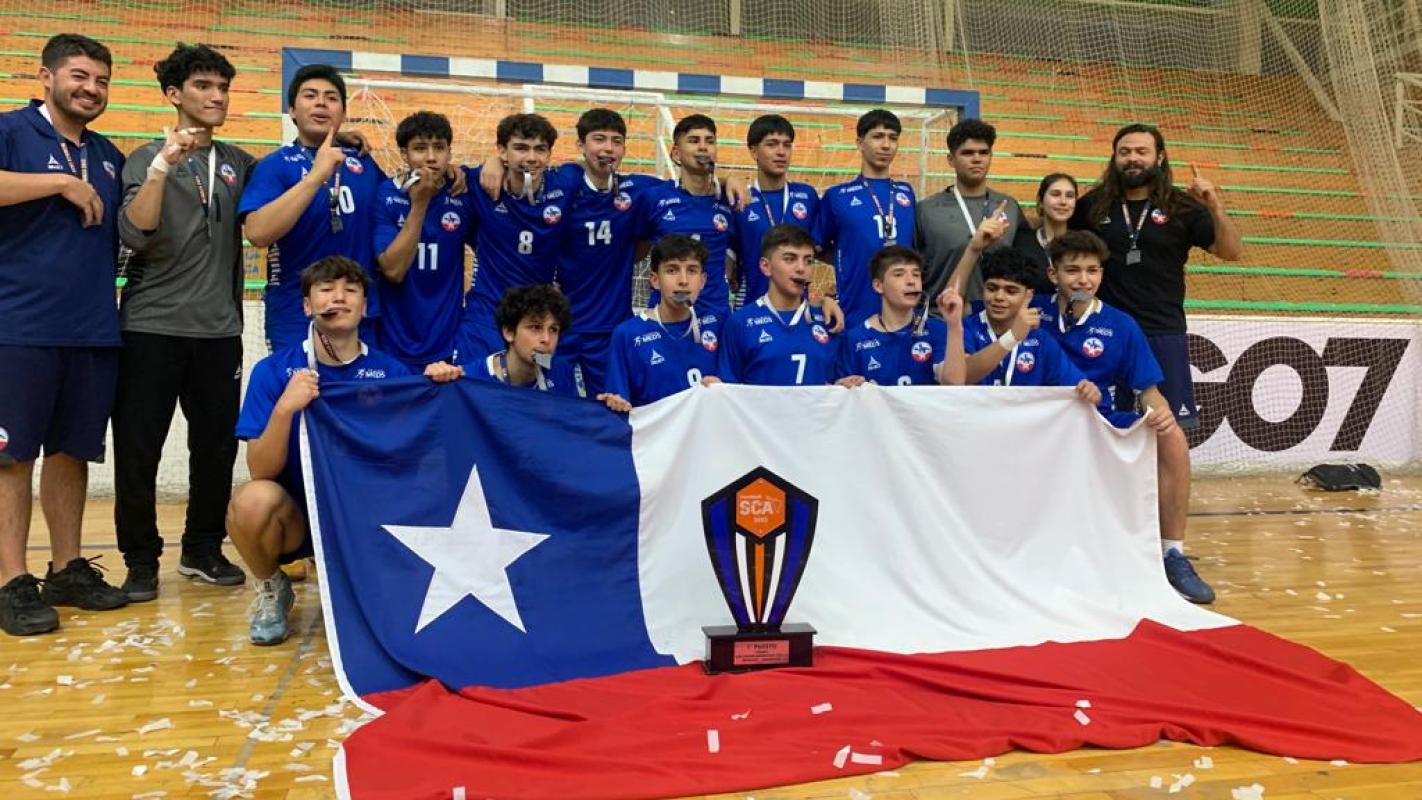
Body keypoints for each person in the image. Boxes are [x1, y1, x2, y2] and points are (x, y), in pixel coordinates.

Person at [227, 256, 461, 645]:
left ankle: (366, 569)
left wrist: (440, 389)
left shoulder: (392, 374)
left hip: (366, 517)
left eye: (351, 290)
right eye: (326, 289)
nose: (339, 297)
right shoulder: (273, 371)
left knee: (392, 621)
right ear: (306, 305)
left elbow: (419, 457)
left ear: (365, 306)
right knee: (251, 502)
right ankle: (272, 586)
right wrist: (286, 408)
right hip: (300, 518)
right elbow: (260, 471)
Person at [113, 43, 255, 601]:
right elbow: (134, 232)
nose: (216, 96)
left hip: (219, 332)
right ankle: (141, 560)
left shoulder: (241, 163)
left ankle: (201, 549)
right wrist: (162, 166)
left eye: (223, 87)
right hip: (150, 326)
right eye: (203, 86)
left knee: (217, 447)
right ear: (174, 94)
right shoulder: (143, 156)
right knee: (139, 447)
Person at [0, 34, 130, 636]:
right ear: (46, 76)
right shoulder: (13, 131)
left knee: (72, 452)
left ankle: (66, 569)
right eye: (80, 76)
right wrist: (57, 184)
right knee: (11, 458)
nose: (91, 89)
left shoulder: (108, 153)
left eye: (101, 80)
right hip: (19, 325)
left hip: (92, 330)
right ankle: (10, 582)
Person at [1037, 230, 1213, 603]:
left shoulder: (1122, 325)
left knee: (1173, 437)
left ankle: (1172, 553)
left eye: (1092, 271)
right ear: (1054, 275)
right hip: (1042, 430)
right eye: (1072, 271)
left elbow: (1148, 392)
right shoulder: (1032, 314)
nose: (1083, 279)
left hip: (1100, 425)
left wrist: (1161, 413)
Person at [1069, 123, 1244, 430]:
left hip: (1162, 329)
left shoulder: (1183, 207)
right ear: (1114, 159)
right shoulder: (1091, 206)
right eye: (1124, 152)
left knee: (1166, 426)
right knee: (1105, 425)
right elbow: (1064, 253)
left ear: (1160, 158)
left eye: (1141, 151)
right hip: (1107, 330)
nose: (1132, 158)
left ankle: (1163, 481)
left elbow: (1230, 251)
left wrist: (1214, 205)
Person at [238, 64, 387, 352]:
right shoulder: (275, 165)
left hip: (362, 313)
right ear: (292, 110)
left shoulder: (364, 163)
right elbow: (257, 233)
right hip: (296, 314)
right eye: (310, 95)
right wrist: (316, 176)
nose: (321, 102)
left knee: (362, 397)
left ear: (342, 113)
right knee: (302, 394)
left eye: (331, 98)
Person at [456, 113, 573, 360]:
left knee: (532, 393)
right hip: (486, 313)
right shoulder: (478, 183)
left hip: (537, 319)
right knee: (472, 388)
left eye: (539, 149)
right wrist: (491, 163)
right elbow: (446, 171)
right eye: (520, 148)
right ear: (501, 150)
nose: (531, 157)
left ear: (549, 155)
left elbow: (593, 172)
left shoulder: (566, 185)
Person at [373, 111, 473, 372]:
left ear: (449, 153)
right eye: (420, 148)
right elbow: (393, 270)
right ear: (404, 154)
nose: (430, 157)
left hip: (447, 342)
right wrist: (420, 203)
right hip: (393, 341)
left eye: (439, 148)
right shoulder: (386, 194)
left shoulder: (464, 193)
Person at [956, 248, 1100, 406]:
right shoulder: (964, 328)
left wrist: (1090, 390)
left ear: (1028, 296)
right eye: (992, 288)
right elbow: (961, 377)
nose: (999, 297)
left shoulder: (1040, 340)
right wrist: (1012, 337)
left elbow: (1079, 386)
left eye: (1011, 291)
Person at [815, 109, 917, 326]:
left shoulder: (906, 192)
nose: (886, 145)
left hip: (903, 314)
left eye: (893, 138)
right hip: (854, 311)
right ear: (860, 143)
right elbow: (816, 246)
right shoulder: (837, 196)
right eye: (878, 137)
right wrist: (850, 261)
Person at [604, 235, 723, 407]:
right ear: (655, 280)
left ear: (703, 280)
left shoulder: (718, 323)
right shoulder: (627, 335)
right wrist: (616, 403)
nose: (683, 281)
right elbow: (618, 405)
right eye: (672, 270)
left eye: (692, 270)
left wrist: (724, 386)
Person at [917, 118, 1025, 306]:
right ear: (951, 160)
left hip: (994, 320)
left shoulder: (1010, 207)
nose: (977, 159)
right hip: (941, 318)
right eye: (967, 153)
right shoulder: (926, 210)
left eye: (983, 152)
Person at [470, 284, 629, 411]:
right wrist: (444, 380)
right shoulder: (471, 378)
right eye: (535, 327)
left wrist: (607, 410)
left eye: (553, 330)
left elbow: (573, 432)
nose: (546, 339)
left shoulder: (561, 373)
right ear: (509, 332)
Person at [640, 114, 737, 320]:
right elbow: (637, 249)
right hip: (665, 316)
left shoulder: (731, 200)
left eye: (710, 141)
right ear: (676, 152)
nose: (703, 147)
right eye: (694, 141)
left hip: (715, 315)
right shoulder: (654, 197)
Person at [719, 225, 840, 386]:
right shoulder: (740, 323)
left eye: (808, 261)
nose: (801, 268)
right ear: (766, 266)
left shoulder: (828, 319)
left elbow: (838, 385)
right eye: (790, 259)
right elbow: (728, 392)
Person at [834, 246, 965, 387]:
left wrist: (954, 325)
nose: (911, 281)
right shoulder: (855, 339)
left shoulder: (938, 330)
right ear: (878, 286)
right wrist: (842, 386)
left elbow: (954, 383)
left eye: (916, 274)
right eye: (899, 274)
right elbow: (841, 396)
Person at [731, 114, 819, 305]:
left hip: (798, 308)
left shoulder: (808, 196)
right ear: (754, 152)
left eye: (786, 145)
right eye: (772, 144)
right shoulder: (740, 201)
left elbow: (821, 247)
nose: (781, 152)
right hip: (752, 305)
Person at [1013, 172, 1076, 293]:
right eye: (1055, 194)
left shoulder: (1083, 244)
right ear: (1041, 201)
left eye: (1070, 196)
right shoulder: (1022, 240)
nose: (1063, 201)